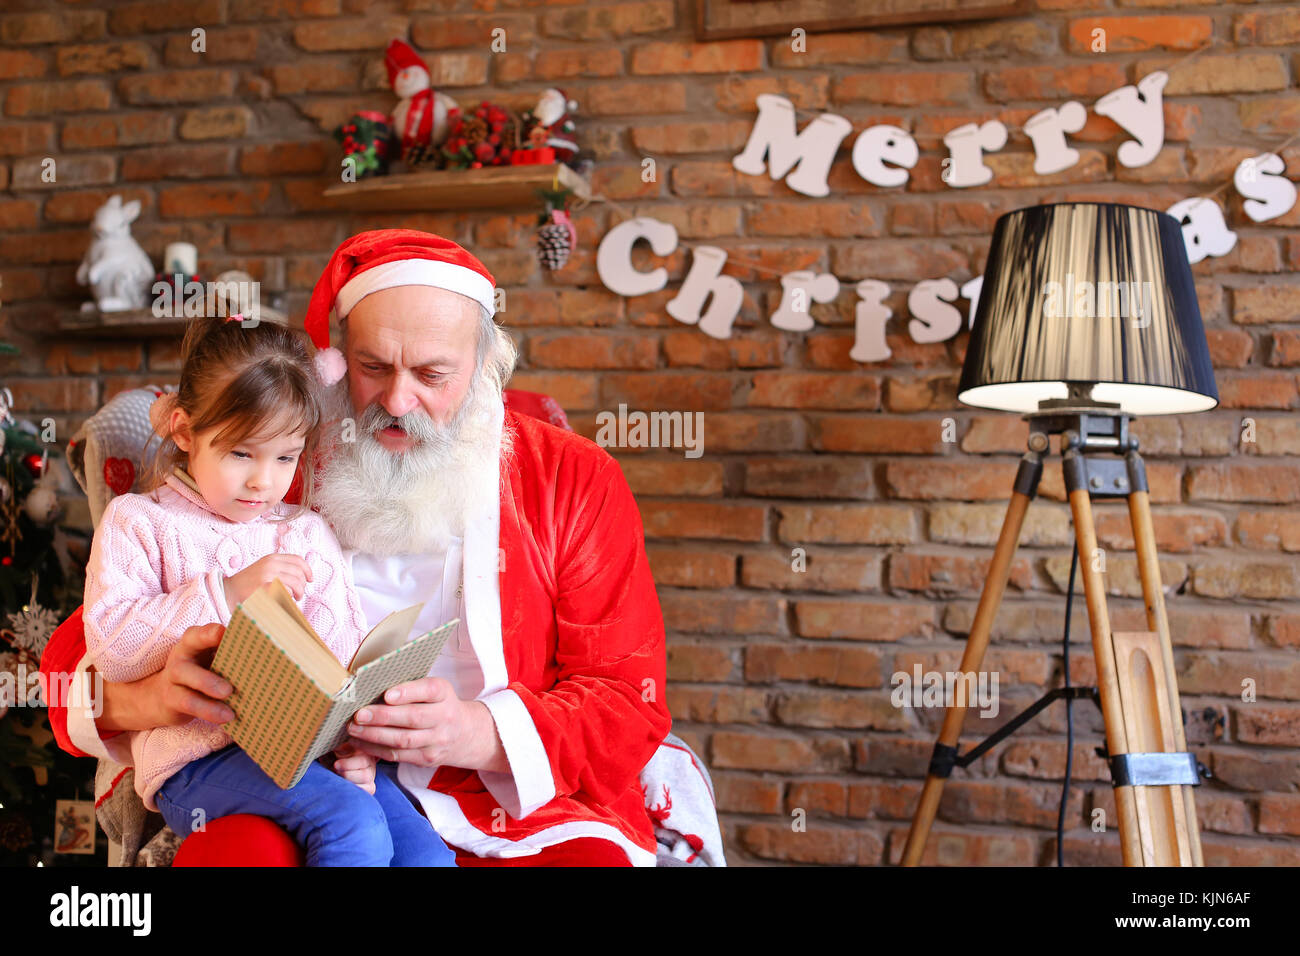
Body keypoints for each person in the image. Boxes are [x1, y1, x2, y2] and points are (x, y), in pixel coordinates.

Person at [51, 229, 673, 866]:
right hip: (294, 774)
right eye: (373, 367)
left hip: (514, 802)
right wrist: (146, 699)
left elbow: (629, 697)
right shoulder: (276, 456)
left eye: (433, 374)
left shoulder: (571, 478)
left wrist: (476, 732)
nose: (399, 401)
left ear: (486, 366)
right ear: (339, 358)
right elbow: (80, 652)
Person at [81, 312, 456, 867]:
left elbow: (343, 660)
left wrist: (355, 741)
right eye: (240, 454)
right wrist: (226, 593)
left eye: (285, 456)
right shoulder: (139, 521)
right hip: (197, 763)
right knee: (350, 824)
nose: (264, 480)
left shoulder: (303, 531)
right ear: (186, 432)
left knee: (426, 853)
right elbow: (113, 647)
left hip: (314, 756)